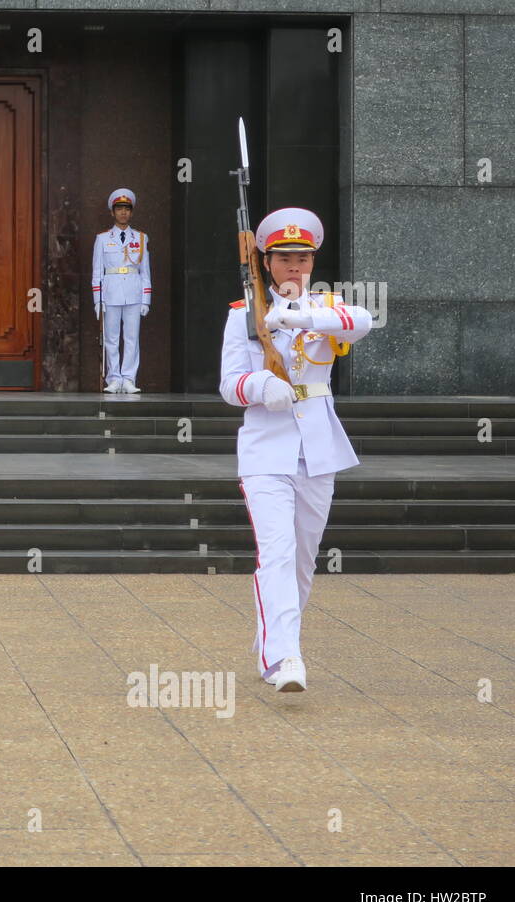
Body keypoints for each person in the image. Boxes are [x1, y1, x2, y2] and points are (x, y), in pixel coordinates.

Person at [219, 207, 373, 693]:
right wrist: (263, 385)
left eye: (302, 259)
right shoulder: (244, 315)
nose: (294, 268)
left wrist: (299, 314)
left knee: (304, 558)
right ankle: (284, 657)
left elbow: (361, 322)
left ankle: (282, 639)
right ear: (266, 262)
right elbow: (228, 384)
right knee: (278, 554)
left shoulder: (327, 307)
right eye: (284, 258)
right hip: (266, 449)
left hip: (317, 448)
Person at [91, 188, 152, 393]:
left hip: (134, 293)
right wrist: (97, 300)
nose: (123, 213)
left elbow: (145, 272)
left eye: (127, 209)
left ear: (131, 212)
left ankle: (129, 378)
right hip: (111, 294)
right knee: (111, 338)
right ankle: (114, 378)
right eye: (119, 209)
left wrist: (146, 299)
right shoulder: (102, 239)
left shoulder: (141, 238)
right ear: (112, 212)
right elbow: (97, 271)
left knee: (132, 338)